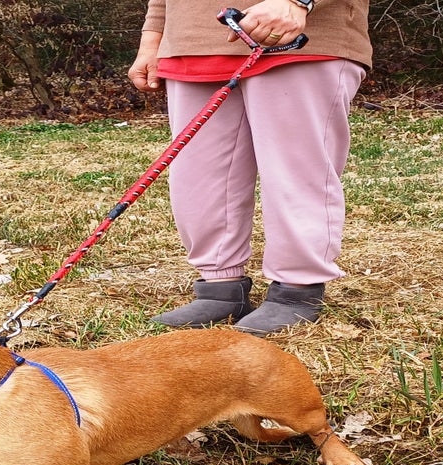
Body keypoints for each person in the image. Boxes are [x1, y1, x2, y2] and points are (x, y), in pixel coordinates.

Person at [128, 0, 371, 335]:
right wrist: (153, 37)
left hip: (298, 41)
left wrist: (298, 3)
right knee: (198, 178)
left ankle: (297, 289)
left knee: (294, 173)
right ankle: (219, 288)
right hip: (190, 43)